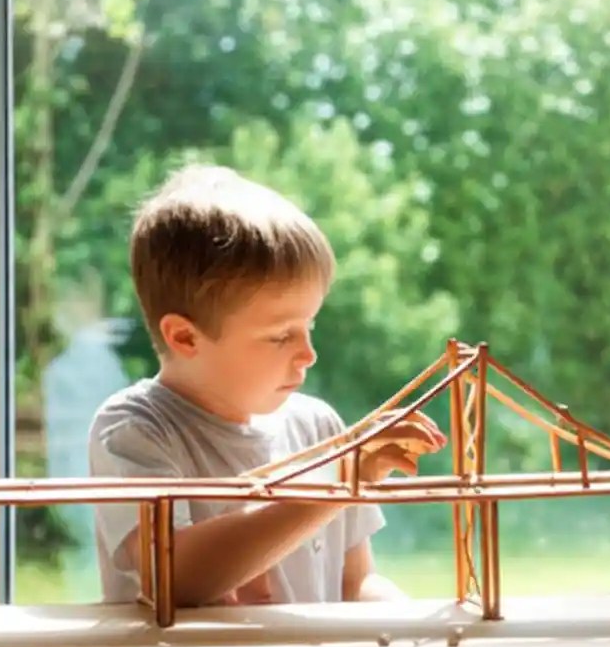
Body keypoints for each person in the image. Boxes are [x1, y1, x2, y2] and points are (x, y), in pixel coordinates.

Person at [88, 164, 447, 608]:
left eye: (309, 326)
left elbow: (355, 583)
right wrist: (337, 482)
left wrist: (428, 635)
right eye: (281, 336)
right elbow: (174, 578)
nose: (308, 354)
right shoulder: (134, 429)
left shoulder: (318, 426)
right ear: (185, 337)